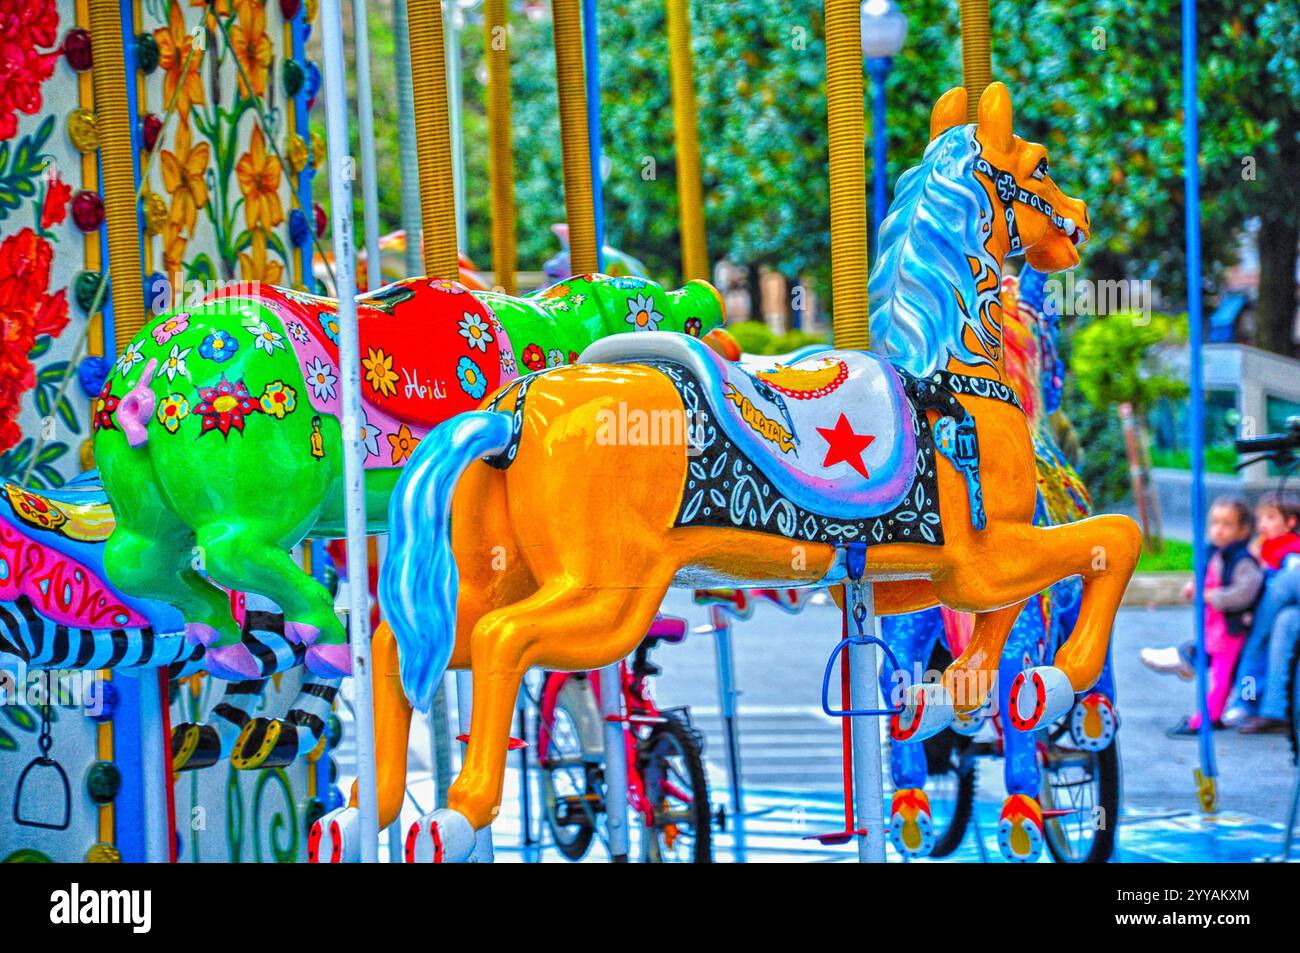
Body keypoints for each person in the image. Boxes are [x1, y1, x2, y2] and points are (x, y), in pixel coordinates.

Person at [1139, 497, 1264, 737]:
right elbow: (1206, 579)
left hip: (1232, 631)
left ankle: (1206, 718)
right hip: (1214, 628)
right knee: (1210, 659)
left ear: (1243, 530)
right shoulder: (1215, 553)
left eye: (1227, 524)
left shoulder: (1242, 560)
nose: (1218, 530)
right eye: (1215, 523)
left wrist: (1211, 595)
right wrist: (1193, 586)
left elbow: (1245, 592)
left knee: (1222, 678)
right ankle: (1185, 661)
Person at [1229, 492, 1300, 734]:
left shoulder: (1289, 551)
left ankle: (1245, 703)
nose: (1262, 525)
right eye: (1261, 519)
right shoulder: (1267, 548)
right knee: (1285, 622)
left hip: (1262, 613)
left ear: (1290, 522)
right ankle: (1273, 710)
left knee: (1253, 648)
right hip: (1280, 610)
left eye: (1270, 518)